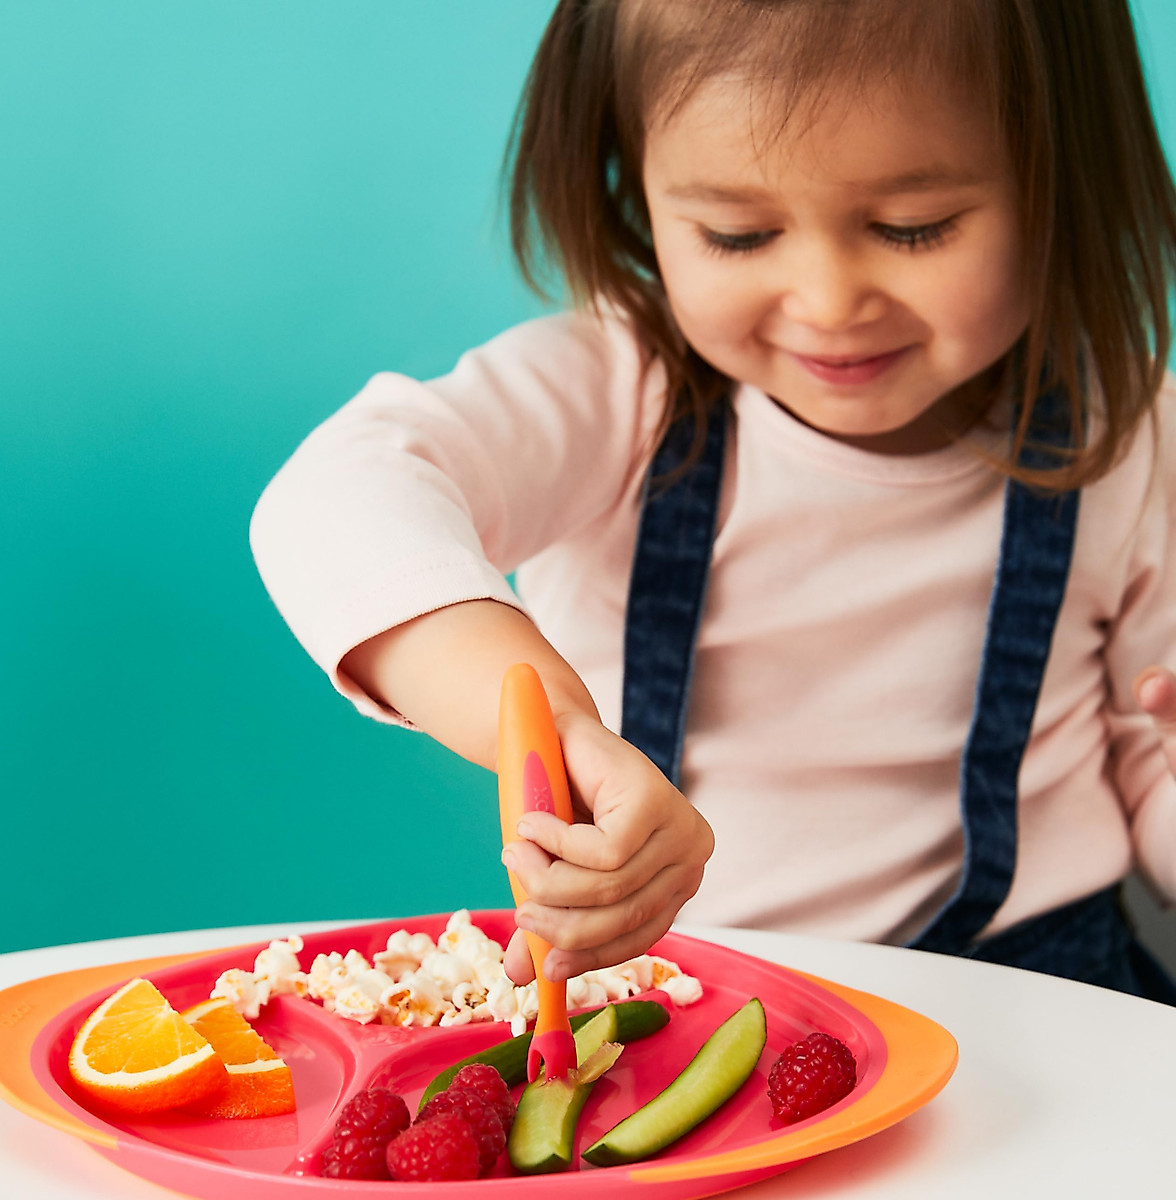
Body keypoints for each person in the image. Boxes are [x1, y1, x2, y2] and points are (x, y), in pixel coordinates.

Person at [251, 0, 1176, 1002]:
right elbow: (339, 493)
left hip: (1040, 998)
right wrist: (545, 723)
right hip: (682, 1001)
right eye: (738, 235)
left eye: (915, 229)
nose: (828, 301)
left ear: (1066, 182)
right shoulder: (617, 398)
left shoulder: (1131, 432)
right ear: (635, 191)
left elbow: (1145, 762)